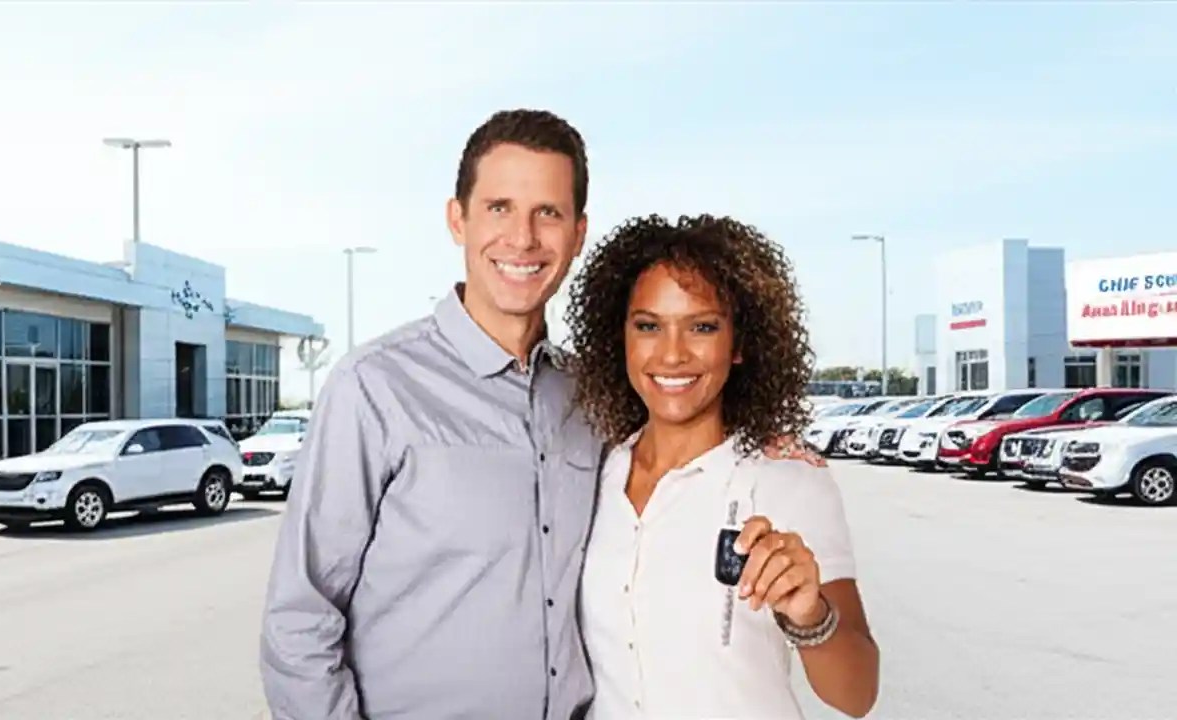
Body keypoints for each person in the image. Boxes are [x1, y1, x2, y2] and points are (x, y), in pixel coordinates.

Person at [259, 109, 821, 720]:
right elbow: (300, 618)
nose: (522, 238)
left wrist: (761, 434)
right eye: (499, 207)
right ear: (458, 220)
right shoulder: (374, 388)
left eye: (547, 213)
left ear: (578, 234)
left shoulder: (592, 395)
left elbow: (684, 411)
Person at [565, 214, 880, 719]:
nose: (671, 354)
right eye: (648, 326)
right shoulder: (592, 474)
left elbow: (857, 693)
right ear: (618, 337)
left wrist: (808, 615)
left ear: (739, 344)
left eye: (702, 327)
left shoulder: (788, 478)